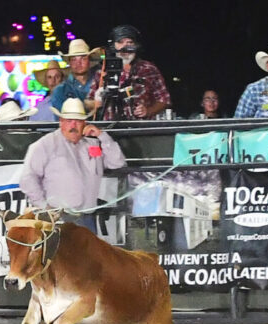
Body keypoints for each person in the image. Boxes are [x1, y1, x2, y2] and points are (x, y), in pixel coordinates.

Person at [18, 98, 127, 229]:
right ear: (61, 122)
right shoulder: (45, 145)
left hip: (87, 217)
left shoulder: (92, 144)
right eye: (69, 121)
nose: (73, 125)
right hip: (58, 218)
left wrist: (102, 136)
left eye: (78, 121)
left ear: (84, 123)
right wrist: (44, 207)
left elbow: (118, 162)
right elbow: (28, 178)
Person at [94, 24, 171, 120]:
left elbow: (164, 100)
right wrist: (98, 99)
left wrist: (148, 111)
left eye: (130, 42)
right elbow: (89, 105)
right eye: (120, 42)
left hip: (139, 129)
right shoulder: (102, 70)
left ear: (136, 46)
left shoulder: (148, 68)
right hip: (109, 129)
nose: (125, 47)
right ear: (113, 46)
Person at [49, 39, 104, 115]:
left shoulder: (102, 83)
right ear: (69, 62)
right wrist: (87, 106)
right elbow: (63, 120)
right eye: (74, 59)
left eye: (83, 58)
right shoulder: (60, 91)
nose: (78, 63)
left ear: (89, 60)